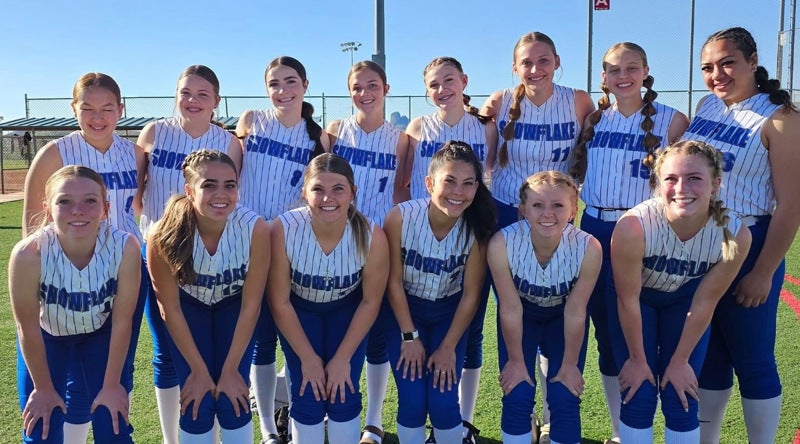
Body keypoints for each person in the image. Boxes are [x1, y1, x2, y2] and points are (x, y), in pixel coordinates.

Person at [679, 27, 800, 444]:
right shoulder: (706, 107)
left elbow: (790, 205)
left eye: (728, 62)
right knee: (709, 354)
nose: (718, 74)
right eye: (708, 67)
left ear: (752, 61)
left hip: (749, 244)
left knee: (753, 359)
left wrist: (763, 271)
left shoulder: (781, 118)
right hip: (701, 246)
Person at [569, 42, 689, 444]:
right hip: (594, 227)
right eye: (614, 70)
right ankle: (625, 430)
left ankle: (664, 423)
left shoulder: (672, 121)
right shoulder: (593, 120)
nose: (623, 76)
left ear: (646, 71)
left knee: (648, 329)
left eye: (631, 68)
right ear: (602, 77)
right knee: (607, 333)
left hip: (645, 232)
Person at [21, 72, 147, 442]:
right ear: (73, 108)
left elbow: (137, 206)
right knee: (68, 373)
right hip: (63, 276)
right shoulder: (55, 153)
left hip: (124, 270)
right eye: (87, 108)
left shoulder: (134, 152)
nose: (98, 116)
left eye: (108, 108)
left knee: (114, 371)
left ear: (121, 110)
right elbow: (33, 223)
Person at [480, 31, 595, 439]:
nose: (535, 69)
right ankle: (523, 396)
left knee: (559, 298)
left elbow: (587, 150)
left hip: (555, 213)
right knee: (518, 303)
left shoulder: (577, 100)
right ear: (515, 67)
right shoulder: (500, 103)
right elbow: (488, 157)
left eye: (543, 60)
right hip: (510, 215)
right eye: (526, 62)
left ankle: (553, 406)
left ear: (557, 62)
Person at [610, 140, 751, 443]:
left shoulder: (735, 234)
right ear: (658, 184)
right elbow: (628, 299)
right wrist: (637, 359)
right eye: (671, 179)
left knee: (680, 390)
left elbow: (705, 300)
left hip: (684, 302)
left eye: (694, 178)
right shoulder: (634, 226)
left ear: (715, 184)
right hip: (637, 302)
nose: (681, 188)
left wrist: (679, 361)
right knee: (638, 392)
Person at [135, 64, 242, 443]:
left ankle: (211, 432)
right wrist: (159, 232)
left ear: (216, 100)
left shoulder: (228, 141)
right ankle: (171, 437)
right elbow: (137, 194)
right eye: (185, 92)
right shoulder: (153, 132)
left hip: (213, 255)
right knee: (166, 352)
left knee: (214, 353)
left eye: (202, 94)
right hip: (163, 252)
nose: (192, 101)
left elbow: (225, 196)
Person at [236, 55, 329, 444]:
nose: (282, 90)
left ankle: (298, 421)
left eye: (290, 82)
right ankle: (269, 429)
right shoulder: (250, 121)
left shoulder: (317, 138)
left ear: (305, 86)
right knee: (259, 338)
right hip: (246, 241)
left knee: (294, 334)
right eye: (275, 83)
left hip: (293, 245)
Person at [11, 165, 141, 443]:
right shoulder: (29, 254)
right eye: (64, 202)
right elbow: (27, 327)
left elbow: (121, 321)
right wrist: (43, 388)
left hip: (100, 334)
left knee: (113, 424)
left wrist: (110, 385)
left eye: (90, 201)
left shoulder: (125, 247)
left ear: (106, 208)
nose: (77, 210)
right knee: (40, 429)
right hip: (47, 337)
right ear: (48, 209)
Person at [405, 57, 497, 443]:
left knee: (471, 329)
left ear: (464, 81)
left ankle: (463, 422)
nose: (441, 89)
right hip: (420, 231)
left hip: (468, 225)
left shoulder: (486, 127)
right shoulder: (416, 127)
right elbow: (402, 181)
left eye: (448, 81)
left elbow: (489, 175)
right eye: (433, 84)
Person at [147, 149, 269, 443]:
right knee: (197, 401)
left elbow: (251, 305)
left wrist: (230, 370)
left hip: (233, 306)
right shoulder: (162, 233)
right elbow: (170, 309)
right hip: (189, 309)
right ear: (189, 191)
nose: (221, 193)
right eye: (209, 184)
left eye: (230, 185)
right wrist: (199, 371)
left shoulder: (255, 228)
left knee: (233, 398)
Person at [268, 153, 389, 444]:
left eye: (338, 189)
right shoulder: (283, 229)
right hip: (299, 311)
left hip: (346, 312)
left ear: (353, 192)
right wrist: (308, 359)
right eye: (318, 189)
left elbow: (370, 301)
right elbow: (280, 302)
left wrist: (342, 358)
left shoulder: (371, 234)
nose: (327, 198)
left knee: (342, 389)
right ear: (304, 192)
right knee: (307, 392)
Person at [383, 141, 495, 444]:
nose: (458, 192)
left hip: (448, 315)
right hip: (405, 313)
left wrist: (448, 347)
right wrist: (409, 336)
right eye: (450, 181)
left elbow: (471, 295)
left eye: (468, 184)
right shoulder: (400, 217)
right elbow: (392, 282)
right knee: (413, 401)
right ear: (430, 183)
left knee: (444, 401)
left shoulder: (477, 228)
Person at [325, 60, 409, 444]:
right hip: (335, 240)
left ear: (386, 88)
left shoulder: (401, 138)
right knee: (336, 330)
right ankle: (328, 410)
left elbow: (401, 191)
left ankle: (373, 420)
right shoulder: (334, 132)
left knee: (375, 333)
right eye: (357, 87)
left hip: (378, 243)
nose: (364, 93)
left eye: (372, 85)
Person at [490, 171, 601, 444]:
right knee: (517, 391)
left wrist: (571, 364)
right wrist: (516, 362)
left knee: (564, 393)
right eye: (538, 205)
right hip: (523, 316)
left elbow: (576, 312)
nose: (547, 213)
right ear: (523, 210)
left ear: (574, 210)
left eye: (558, 205)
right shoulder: (502, 243)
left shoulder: (588, 248)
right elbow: (510, 308)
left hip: (561, 319)